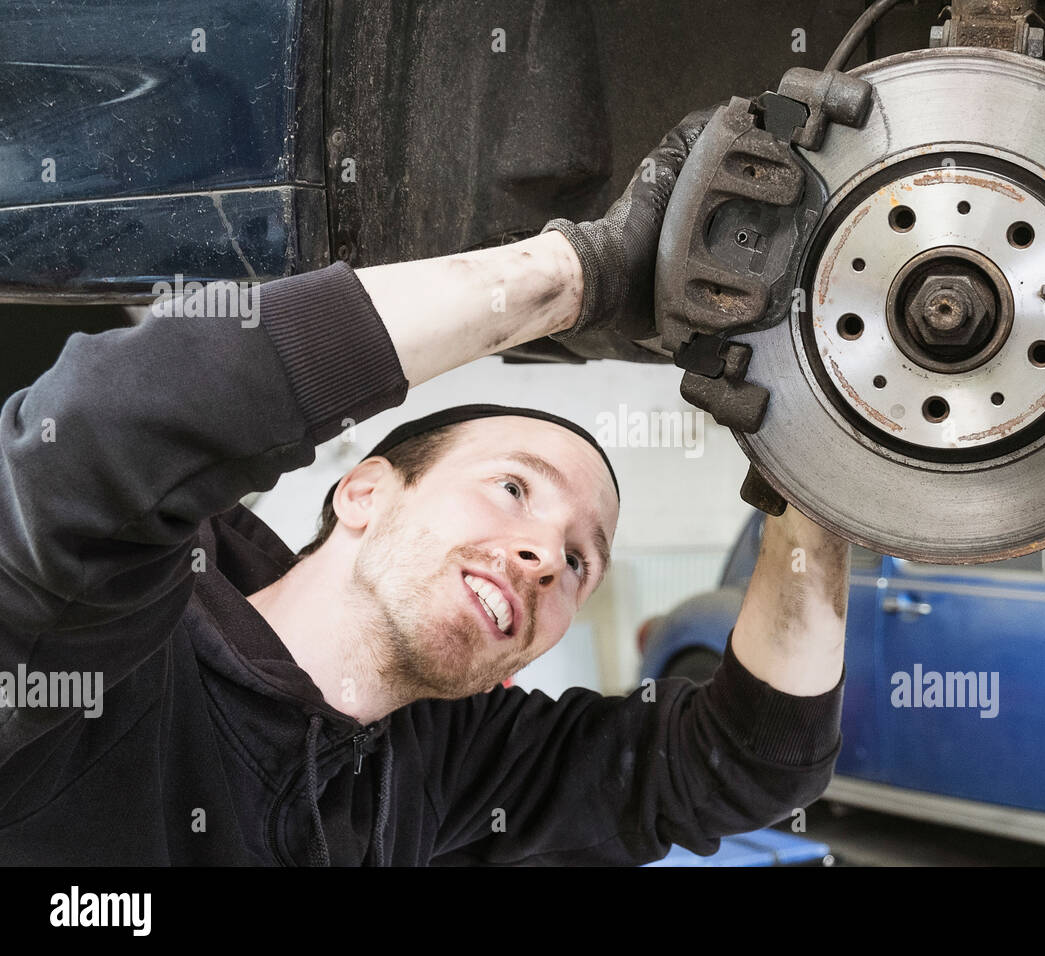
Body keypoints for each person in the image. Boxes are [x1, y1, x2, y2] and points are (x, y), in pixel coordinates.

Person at [0, 111, 850, 865]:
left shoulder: (446, 765)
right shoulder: (111, 647)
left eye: (581, 565)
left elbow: (743, 767)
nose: (547, 558)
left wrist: (820, 476)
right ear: (364, 493)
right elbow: (101, 433)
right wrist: (573, 274)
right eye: (515, 489)